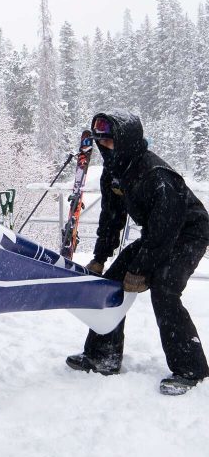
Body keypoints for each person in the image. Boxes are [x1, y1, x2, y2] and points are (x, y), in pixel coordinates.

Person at [65, 110, 209, 395]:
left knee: (164, 291)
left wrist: (141, 269)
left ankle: (190, 369)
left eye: (110, 142)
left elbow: (166, 230)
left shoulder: (157, 175)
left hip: (189, 232)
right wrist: (99, 257)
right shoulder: (115, 172)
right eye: (100, 142)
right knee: (111, 284)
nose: (104, 148)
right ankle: (102, 355)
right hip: (157, 233)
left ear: (127, 141)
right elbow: (111, 218)